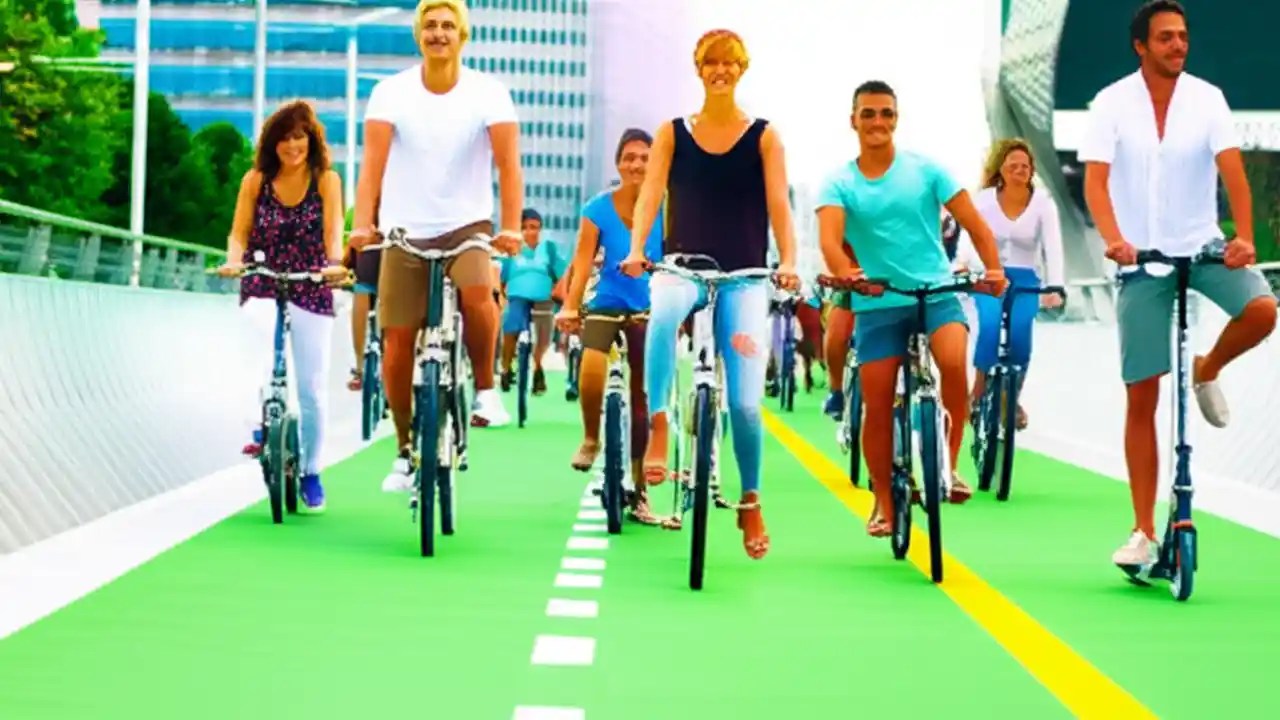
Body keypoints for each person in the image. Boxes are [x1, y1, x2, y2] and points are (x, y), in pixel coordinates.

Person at [1078, 0, 1276, 571]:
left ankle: (1208, 368)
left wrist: (1243, 237)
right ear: (1141, 46)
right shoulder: (1112, 103)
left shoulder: (1207, 98)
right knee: (1142, 394)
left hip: (1202, 244)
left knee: (1263, 309)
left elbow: (1232, 169)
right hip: (1141, 258)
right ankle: (1142, 529)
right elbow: (1096, 182)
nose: (1178, 45)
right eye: (1165, 37)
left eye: (1183, 36)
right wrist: (1114, 239)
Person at [621, 29, 801, 560]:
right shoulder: (673, 133)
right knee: (661, 315)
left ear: (741, 69)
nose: (720, 71)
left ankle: (750, 500)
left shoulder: (764, 136)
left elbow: (778, 205)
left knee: (745, 402)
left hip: (744, 276)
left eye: (729, 63)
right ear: (699, 70)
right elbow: (651, 194)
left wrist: (788, 261)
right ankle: (658, 424)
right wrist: (637, 248)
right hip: (683, 268)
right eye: (711, 63)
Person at [816, 80, 1007, 538]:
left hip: (936, 293)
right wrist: (848, 272)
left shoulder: (926, 170)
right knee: (877, 405)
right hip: (878, 301)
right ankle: (883, 500)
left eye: (886, 113)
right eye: (868, 114)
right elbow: (829, 239)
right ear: (853, 121)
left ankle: (949, 463)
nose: (878, 122)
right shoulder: (839, 181)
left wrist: (995, 269)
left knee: (953, 362)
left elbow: (975, 225)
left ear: (896, 118)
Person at [348, 0, 524, 493]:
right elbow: (372, 170)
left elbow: (509, 166)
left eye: (448, 26)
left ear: (462, 36)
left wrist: (509, 227)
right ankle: (405, 451)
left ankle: (487, 391)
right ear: (418, 35)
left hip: (467, 225)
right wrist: (365, 225)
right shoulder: (390, 93)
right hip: (404, 230)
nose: (439, 33)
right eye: (430, 25)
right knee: (397, 342)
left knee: (476, 292)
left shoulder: (489, 92)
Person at [217, 100, 348, 512]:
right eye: (285, 138)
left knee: (311, 386)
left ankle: (311, 471)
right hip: (264, 275)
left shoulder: (326, 180)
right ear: (272, 144)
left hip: (310, 279)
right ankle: (257, 426)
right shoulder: (256, 180)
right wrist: (235, 261)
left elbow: (333, 232)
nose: (292, 146)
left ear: (311, 141)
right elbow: (239, 231)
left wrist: (335, 265)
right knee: (259, 341)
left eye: (300, 137)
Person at [557, 128, 662, 523]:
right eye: (629, 156)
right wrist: (570, 306)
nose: (636, 164)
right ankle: (590, 437)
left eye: (644, 157)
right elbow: (583, 262)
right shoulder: (596, 209)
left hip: (649, 307)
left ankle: (641, 489)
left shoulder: (667, 208)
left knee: (642, 398)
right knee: (591, 361)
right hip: (606, 302)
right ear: (618, 162)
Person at [965, 138, 1065, 430]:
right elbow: (969, 238)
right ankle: (979, 391)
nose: (1019, 170)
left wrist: (1055, 287)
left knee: (1022, 335)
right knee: (990, 325)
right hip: (989, 274)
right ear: (1002, 169)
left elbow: (1053, 247)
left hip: (1025, 278)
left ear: (1032, 171)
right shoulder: (982, 200)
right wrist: (968, 266)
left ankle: (1013, 398)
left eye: (1025, 166)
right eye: (1013, 165)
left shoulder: (1043, 204)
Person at [498, 208, 568, 396]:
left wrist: (559, 293)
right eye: (525, 227)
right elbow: (501, 277)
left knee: (544, 334)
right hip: (517, 296)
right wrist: (499, 297)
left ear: (540, 229)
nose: (530, 231)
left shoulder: (549, 248)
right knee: (511, 325)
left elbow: (562, 274)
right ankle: (506, 368)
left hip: (543, 297)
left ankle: (537, 368)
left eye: (534, 227)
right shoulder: (512, 249)